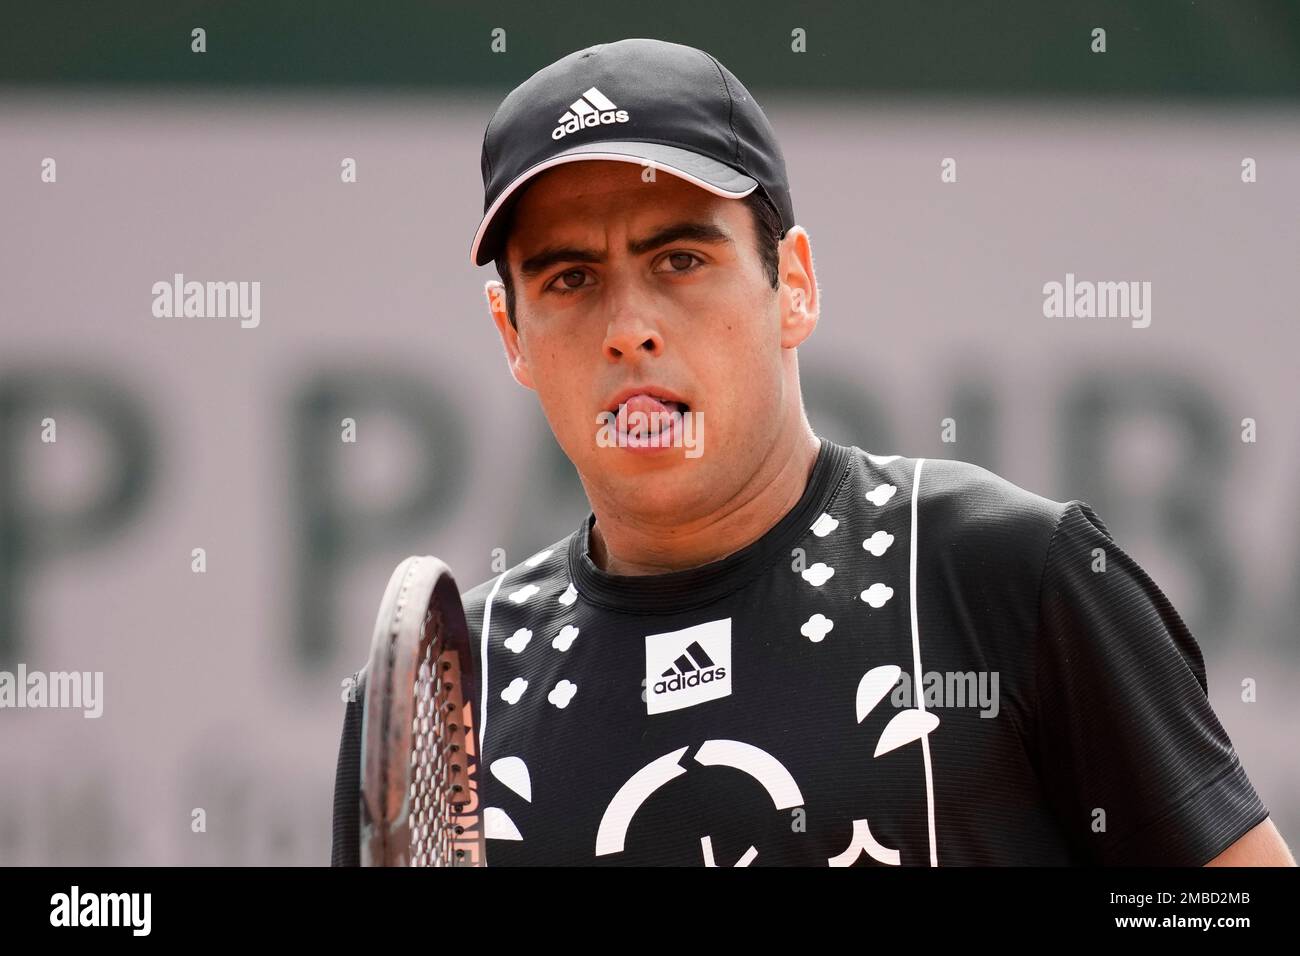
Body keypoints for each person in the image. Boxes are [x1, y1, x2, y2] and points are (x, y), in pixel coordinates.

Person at [460, 37, 1293, 865]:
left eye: (680, 259)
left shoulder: (1006, 571)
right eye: (570, 279)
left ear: (794, 285)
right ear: (513, 335)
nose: (629, 330)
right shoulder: (448, 686)